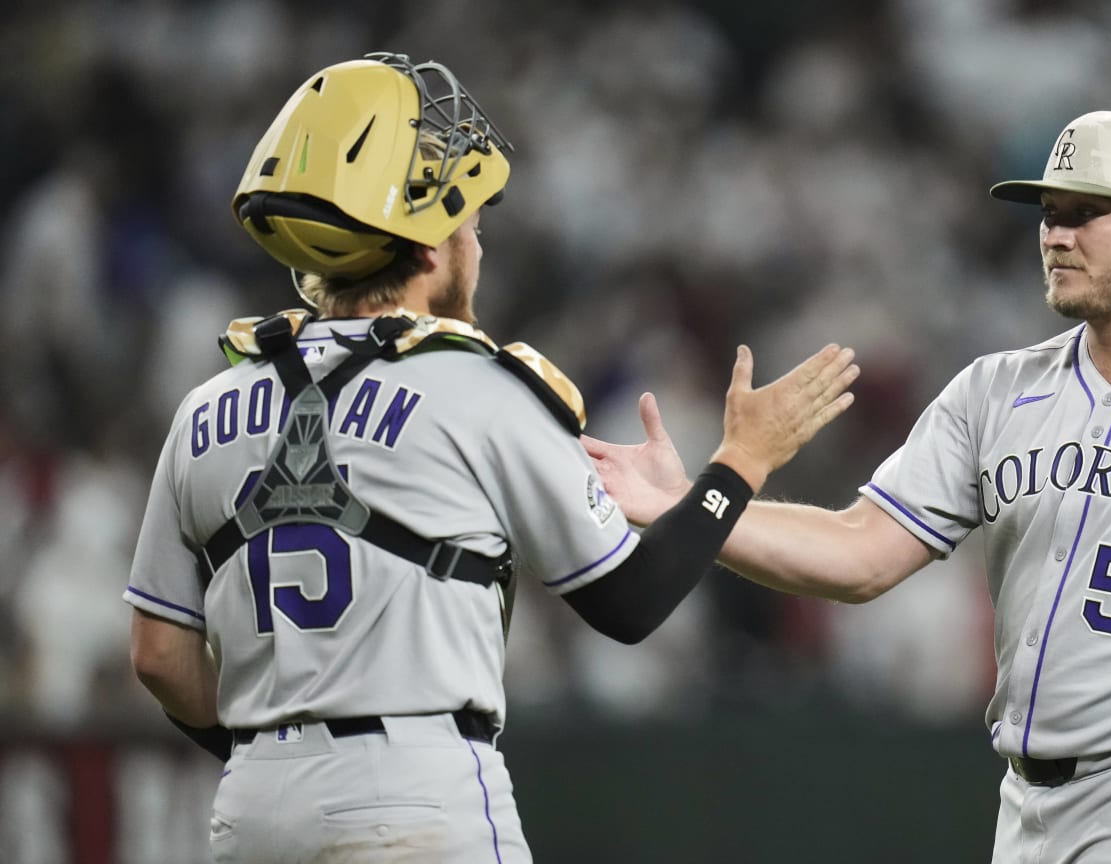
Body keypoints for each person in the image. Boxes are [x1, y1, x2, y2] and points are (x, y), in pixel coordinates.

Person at [583, 110, 1111, 862]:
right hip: (1026, 802)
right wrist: (695, 505)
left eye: (1089, 212)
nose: (1056, 234)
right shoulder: (995, 390)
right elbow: (860, 553)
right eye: (1050, 214)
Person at [123, 52, 857, 864]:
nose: (478, 240)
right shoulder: (479, 389)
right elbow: (632, 603)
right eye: (469, 221)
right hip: (418, 793)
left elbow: (158, 655)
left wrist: (282, 759)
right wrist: (741, 465)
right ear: (430, 246)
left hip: (252, 808)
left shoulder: (205, 408)